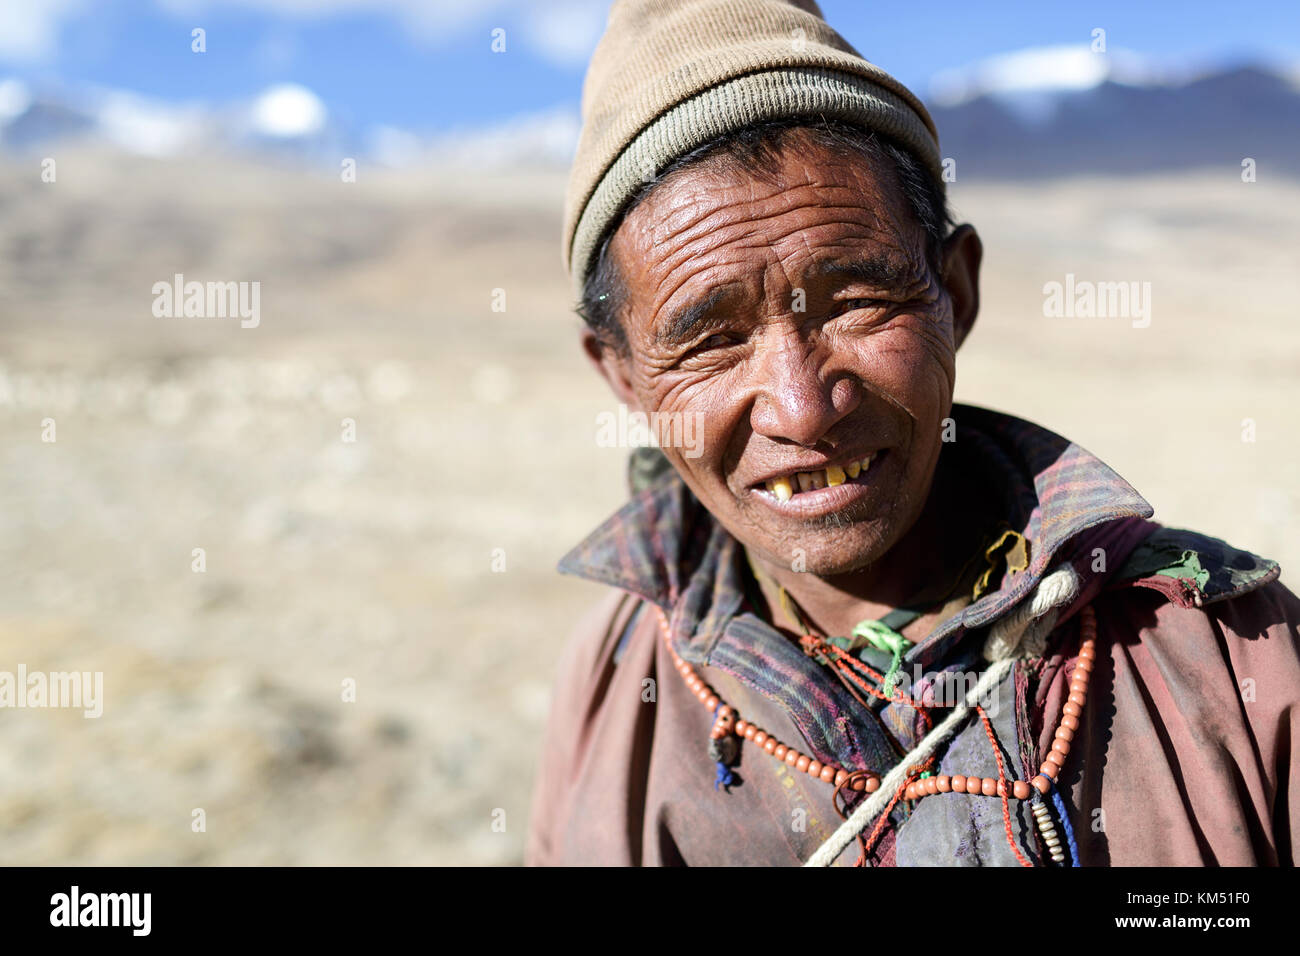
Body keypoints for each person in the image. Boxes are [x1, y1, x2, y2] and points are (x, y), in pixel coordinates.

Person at [526, 0, 1300, 866]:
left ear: (956, 293)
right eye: (712, 340)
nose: (803, 408)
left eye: (857, 300)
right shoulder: (612, 681)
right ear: (624, 377)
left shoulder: (1234, 657)